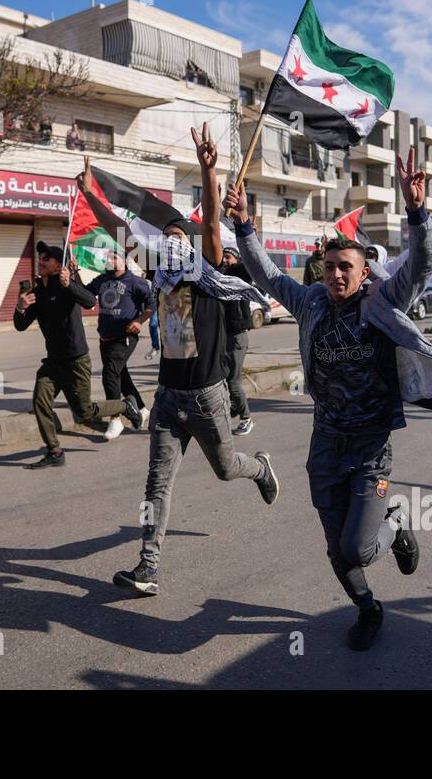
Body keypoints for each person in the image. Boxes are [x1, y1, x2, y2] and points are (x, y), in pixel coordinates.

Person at [226, 149, 432, 651]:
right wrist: (244, 227)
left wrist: (417, 212)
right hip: (326, 444)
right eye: (329, 266)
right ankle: (368, 610)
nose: (336, 274)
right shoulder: (311, 301)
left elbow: (423, 264)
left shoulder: (382, 303)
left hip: (369, 449)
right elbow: (269, 277)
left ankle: (397, 523)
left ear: (364, 273)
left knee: (359, 548)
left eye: (346, 267)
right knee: (335, 549)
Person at [76, 129, 279, 599]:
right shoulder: (159, 279)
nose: (167, 242)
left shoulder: (206, 276)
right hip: (168, 400)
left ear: (189, 246)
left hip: (208, 400)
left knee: (227, 469)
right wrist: (91, 196)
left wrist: (209, 170)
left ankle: (261, 469)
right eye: (163, 238)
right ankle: (148, 566)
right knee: (156, 486)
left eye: (174, 236)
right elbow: (122, 234)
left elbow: (210, 222)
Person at [14, 243, 142, 468]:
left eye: (47, 258)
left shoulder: (66, 286)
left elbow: (90, 301)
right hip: (53, 362)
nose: (41, 261)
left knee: (84, 412)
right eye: (40, 257)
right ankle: (55, 452)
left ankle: (125, 406)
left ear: (57, 265)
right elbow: (21, 326)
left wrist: (69, 283)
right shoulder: (36, 292)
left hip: (76, 361)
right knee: (40, 402)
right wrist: (20, 307)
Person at [89, 249, 154, 441]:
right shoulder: (102, 280)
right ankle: (142, 409)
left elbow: (152, 304)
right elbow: (85, 293)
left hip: (124, 336)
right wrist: (74, 276)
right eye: (108, 257)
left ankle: (115, 417)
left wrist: (139, 321)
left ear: (124, 261)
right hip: (105, 337)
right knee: (120, 374)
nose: (111, 260)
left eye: (114, 257)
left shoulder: (135, 282)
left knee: (110, 373)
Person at [220, 246, 255, 435]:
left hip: (236, 336)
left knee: (233, 381)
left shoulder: (240, 275)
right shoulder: (220, 277)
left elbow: (249, 265)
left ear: (237, 260)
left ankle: (246, 418)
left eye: (228, 257)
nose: (225, 261)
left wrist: (249, 241)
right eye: (222, 257)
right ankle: (233, 407)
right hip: (223, 335)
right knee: (223, 379)